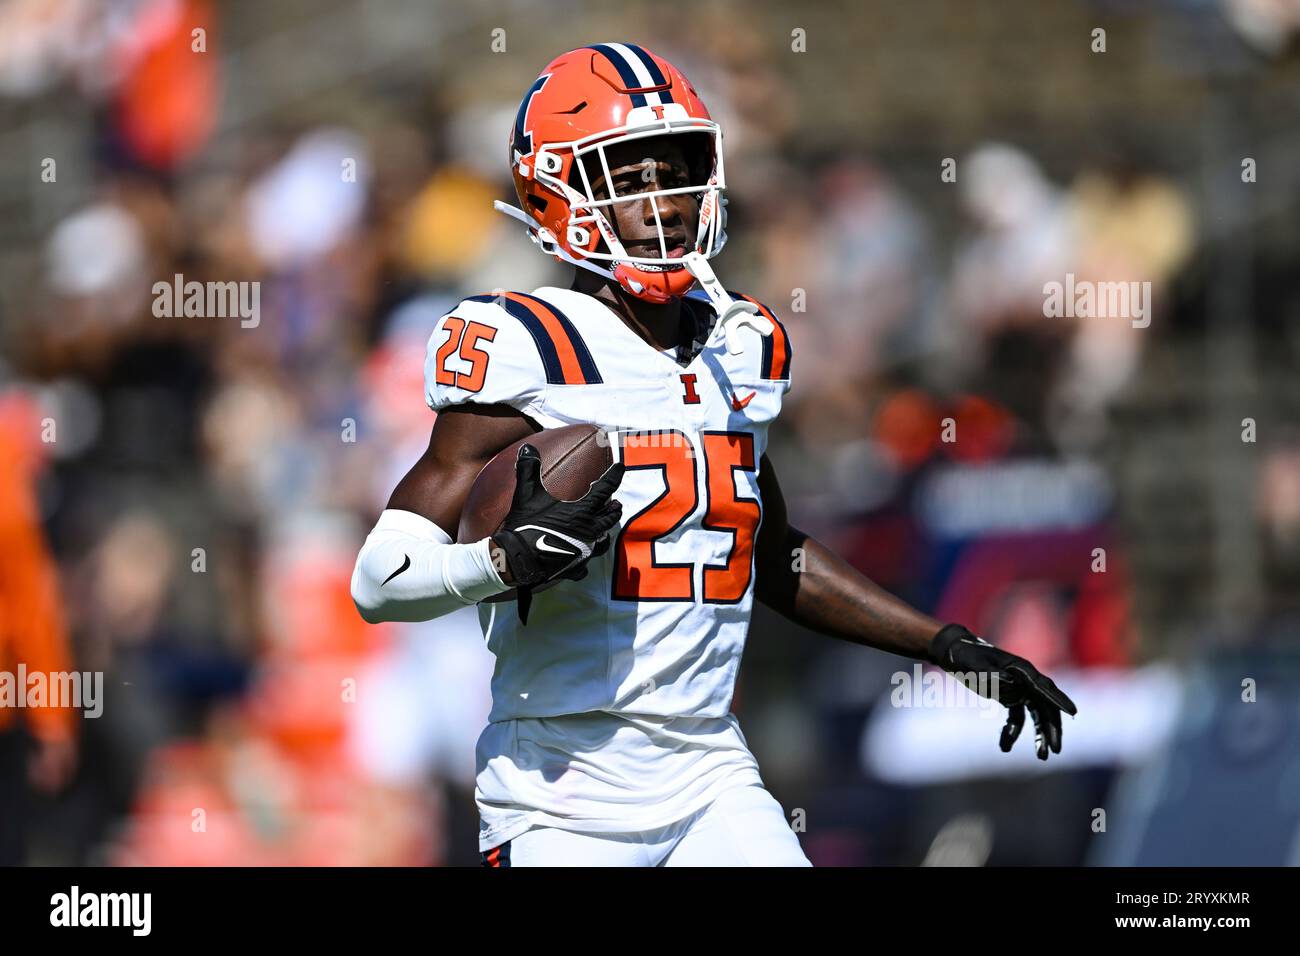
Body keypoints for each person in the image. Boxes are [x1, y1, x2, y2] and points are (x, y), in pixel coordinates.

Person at [351, 43, 1076, 867]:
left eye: (677, 169)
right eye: (628, 176)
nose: (662, 200)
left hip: (707, 768)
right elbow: (379, 582)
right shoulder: (523, 345)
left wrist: (946, 645)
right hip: (560, 785)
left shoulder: (743, 343)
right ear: (557, 190)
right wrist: (499, 561)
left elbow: (768, 550)